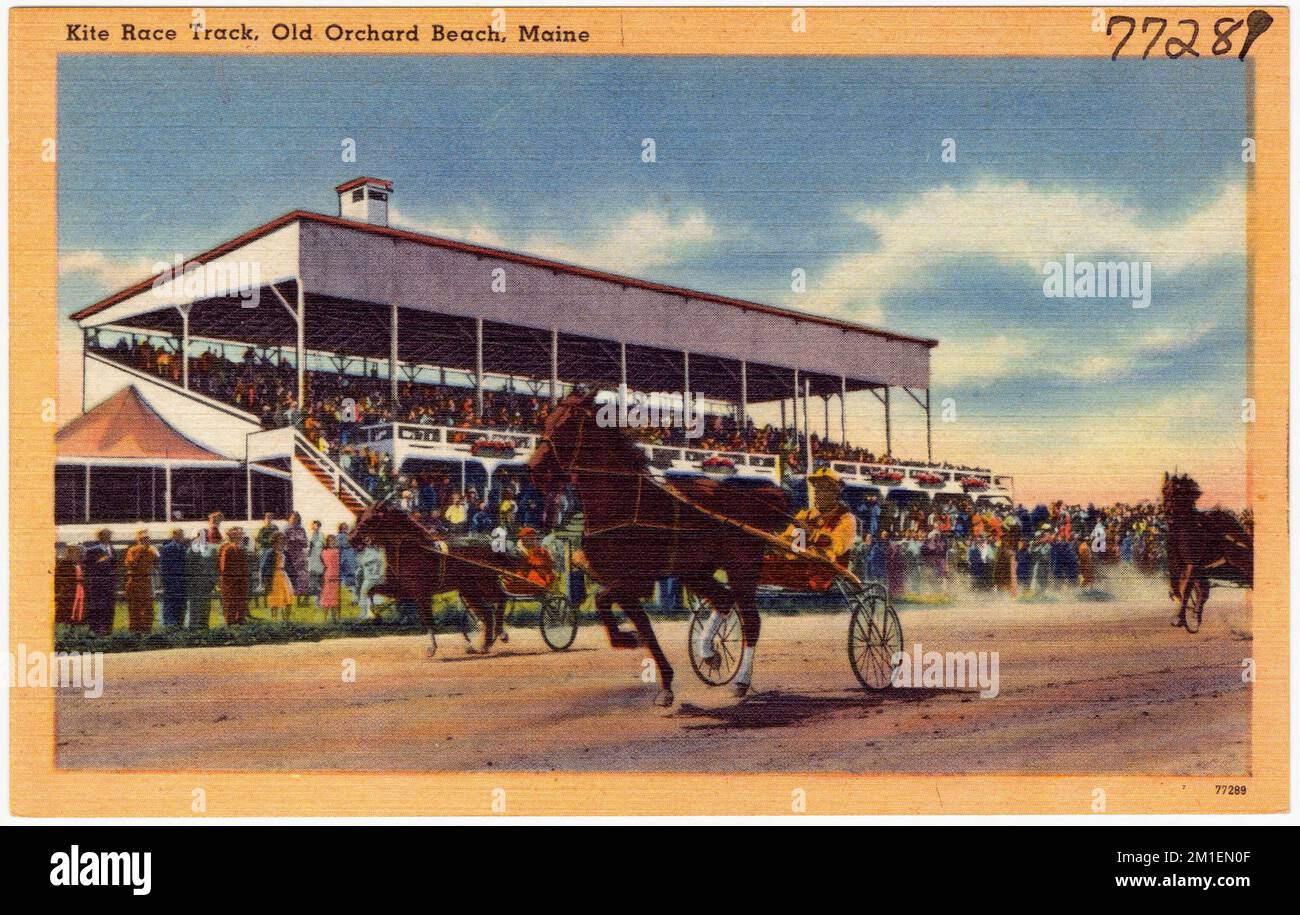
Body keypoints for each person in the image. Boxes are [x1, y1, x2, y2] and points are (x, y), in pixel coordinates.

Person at [82, 529, 118, 635]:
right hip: (97, 583)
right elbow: (87, 566)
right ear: (100, 536)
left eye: (109, 535)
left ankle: (107, 630)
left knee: (109, 607)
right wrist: (99, 563)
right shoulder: (91, 549)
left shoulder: (112, 549)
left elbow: (115, 566)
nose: (108, 536)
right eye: (106, 535)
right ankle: (95, 630)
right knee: (97, 607)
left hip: (110, 584)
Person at [123, 530, 159, 632]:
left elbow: (157, 562)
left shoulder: (152, 550)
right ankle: (135, 631)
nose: (145, 541)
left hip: (146, 581)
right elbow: (130, 565)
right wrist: (140, 551)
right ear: (138, 540)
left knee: (148, 608)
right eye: (143, 539)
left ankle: (147, 630)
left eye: (147, 539)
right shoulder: (132, 550)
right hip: (134, 581)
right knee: (134, 609)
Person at [158, 529, 190, 627]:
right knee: (171, 605)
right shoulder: (168, 548)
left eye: (182, 535)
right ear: (173, 536)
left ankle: (177, 625)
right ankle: (171, 626)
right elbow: (163, 567)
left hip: (180, 581)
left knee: (180, 605)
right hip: (172, 581)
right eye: (180, 535)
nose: (182, 537)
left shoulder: (184, 548)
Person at [219, 527, 250, 625]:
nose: (241, 536)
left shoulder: (242, 547)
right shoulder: (227, 548)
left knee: (241, 603)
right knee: (230, 604)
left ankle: (240, 620)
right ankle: (231, 624)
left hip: (241, 580)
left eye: (241, 534)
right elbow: (223, 567)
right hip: (231, 581)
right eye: (239, 534)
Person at [266, 532, 296, 621]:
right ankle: (274, 618)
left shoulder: (286, 553)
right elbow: (266, 566)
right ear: (274, 541)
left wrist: (293, 576)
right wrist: (267, 578)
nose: (281, 542)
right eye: (279, 540)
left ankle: (287, 618)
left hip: (284, 576)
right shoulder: (270, 553)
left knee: (288, 596)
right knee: (275, 598)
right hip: (274, 576)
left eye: (283, 540)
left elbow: (290, 566)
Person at [282, 511, 310, 602]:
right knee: (292, 575)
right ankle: (292, 596)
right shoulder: (286, 530)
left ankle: (305, 597)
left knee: (303, 575)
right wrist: (292, 542)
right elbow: (283, 543)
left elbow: (306, 543)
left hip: (300, 555)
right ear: (289, 519)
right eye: (293, 518)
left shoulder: (301, 529)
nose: (294, 520)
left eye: (296, 518)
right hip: (289, 556)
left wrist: (299, 542)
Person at [319, 535, 341, 623]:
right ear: (327, 542)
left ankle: (335, 618)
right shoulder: (325, 552)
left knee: (335, 597)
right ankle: (324, 619)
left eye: (334, 541)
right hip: (329, 574)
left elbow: (338, 563)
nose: (332, 542)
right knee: (327, 597)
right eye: (330, 541)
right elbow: (325, 562)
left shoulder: (337, 551)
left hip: (336, 574)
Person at [307, 520, 325, 597]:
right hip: (312, 556)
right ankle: (313, 589)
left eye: (317, 525)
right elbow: (308, 545)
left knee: (319, 572)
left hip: (319, 555)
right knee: (312, 572)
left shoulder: (321, 535)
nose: (315, 527)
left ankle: (320, 590)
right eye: (314, 525)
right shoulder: (310, 534)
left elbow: (320, 543)